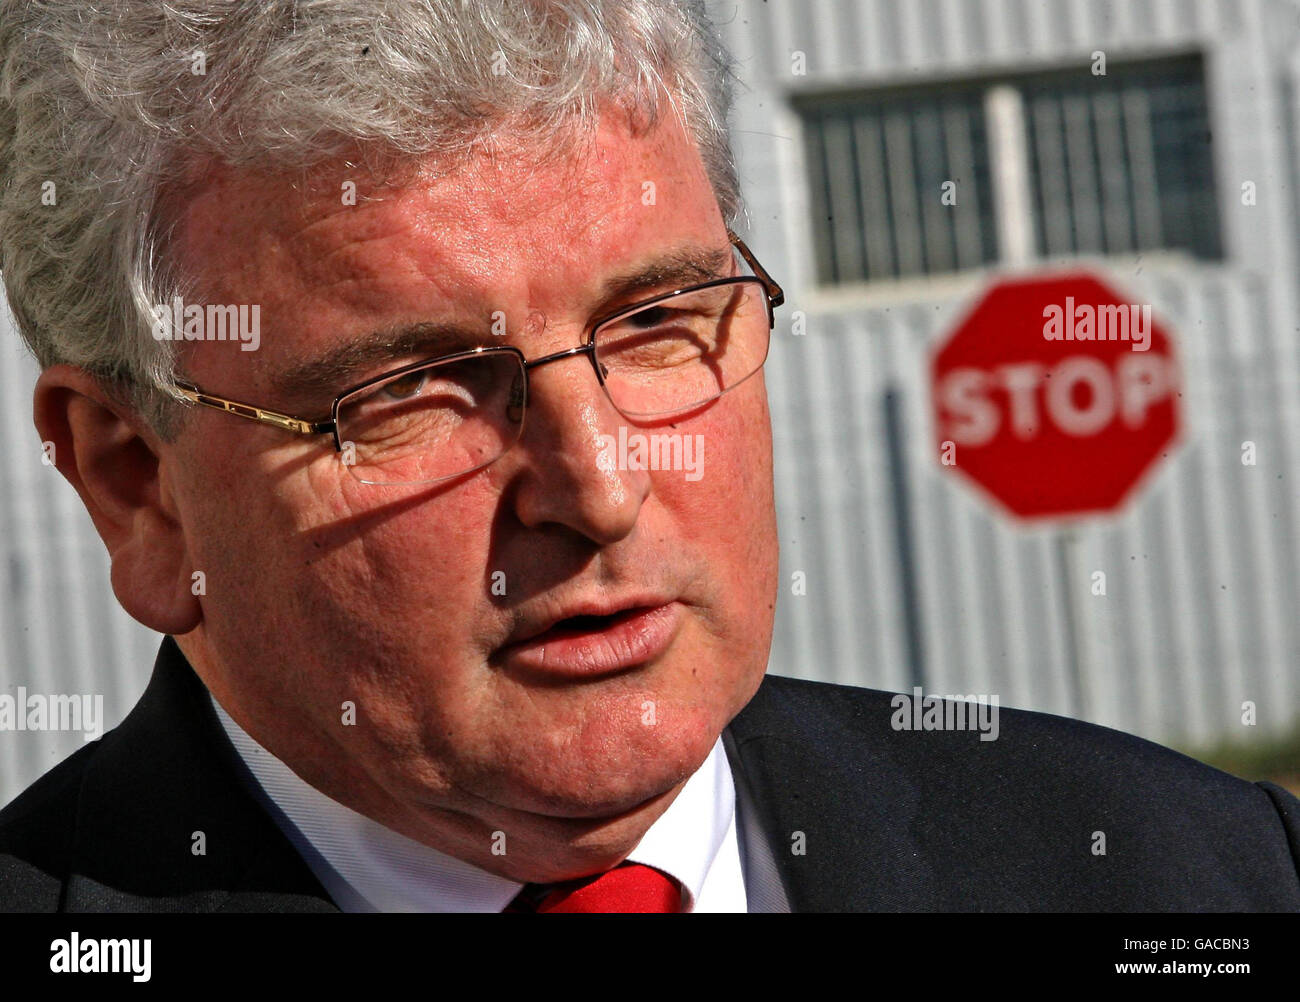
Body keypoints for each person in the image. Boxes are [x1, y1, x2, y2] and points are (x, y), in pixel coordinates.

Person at [0, 0, 1296, 914]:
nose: (602, 487)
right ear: (137, 485)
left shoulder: (1193, 873)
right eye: (414, 389)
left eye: (659, 323)